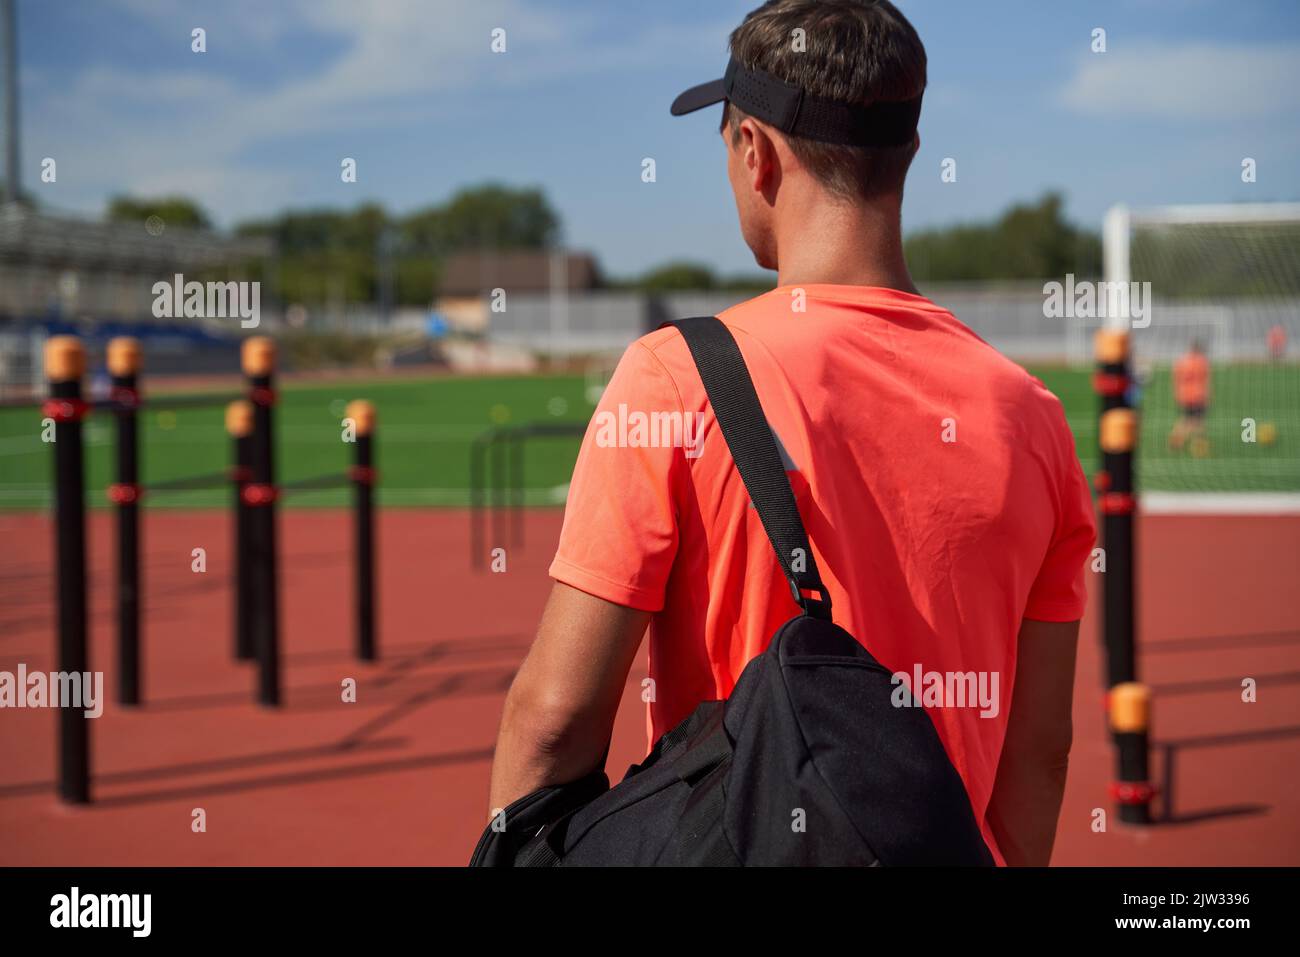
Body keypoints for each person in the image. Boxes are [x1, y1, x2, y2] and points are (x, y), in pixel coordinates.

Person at [488, 0, 1095, 867]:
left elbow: (552, 719)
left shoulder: (675, 376)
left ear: (754, 153)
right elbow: (1041, 754)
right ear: (909, 154)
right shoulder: (1033, 417)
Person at [1168, 339, 1211, 453]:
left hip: (1184, 395)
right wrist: (1208, 395)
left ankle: (1179, 440)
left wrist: (1177, 393)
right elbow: (1206, 380)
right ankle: (1195, 444)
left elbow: (1175, 378)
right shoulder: (1202, 361)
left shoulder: (1182, 361)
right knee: (1196, 421)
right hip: (1197, 394)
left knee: (1188, 419)